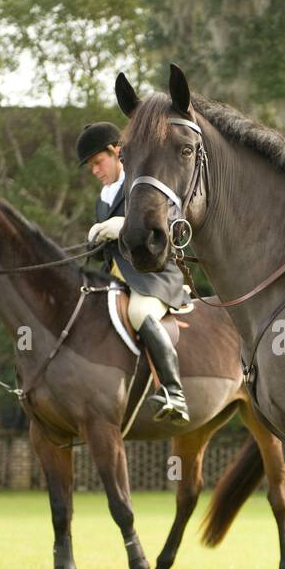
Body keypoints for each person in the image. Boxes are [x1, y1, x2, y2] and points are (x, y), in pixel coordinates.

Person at [78, 121, 192, 424]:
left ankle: (173, 392)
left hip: (152, 277)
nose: (95, 171)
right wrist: (95, 241)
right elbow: (109, 253)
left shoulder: (142, 183)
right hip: (116, 280)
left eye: (98, 162)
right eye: (90, 166)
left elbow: (169, 224)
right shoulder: (102, 199)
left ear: (116, 152)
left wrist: (123, 227)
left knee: (141, 313)